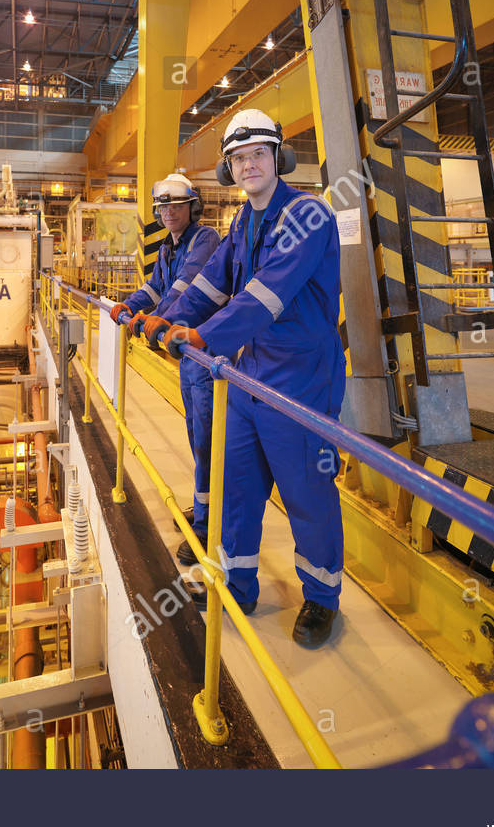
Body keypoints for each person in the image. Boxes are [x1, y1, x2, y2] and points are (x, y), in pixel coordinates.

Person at [143, 109, 346, 647]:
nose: (249, 163)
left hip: (299, 381)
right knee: (238, 486)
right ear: (229, 168)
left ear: (278, 157)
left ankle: (322, 598)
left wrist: (205, 337)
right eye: (238, 157)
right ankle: (237, 582)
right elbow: (211, 284)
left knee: (306, 492)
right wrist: (173, 317)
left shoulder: (309, 215)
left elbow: (267, 296)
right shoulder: (242, 224)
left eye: (258, 153)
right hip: (249, 375)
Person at [109, 173, 220, 556]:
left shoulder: (205, 239)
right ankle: (205, 509)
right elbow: (156, 288)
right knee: (197, 437)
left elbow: (183, 290)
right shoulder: (169, 249)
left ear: (193, 206)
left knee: (209, 442)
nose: (169, 212)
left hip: (207, 355)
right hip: (187, 355)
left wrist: (156, 318)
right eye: (163, 207)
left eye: (176, 205)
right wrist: (129, 304)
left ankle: (210, 528)